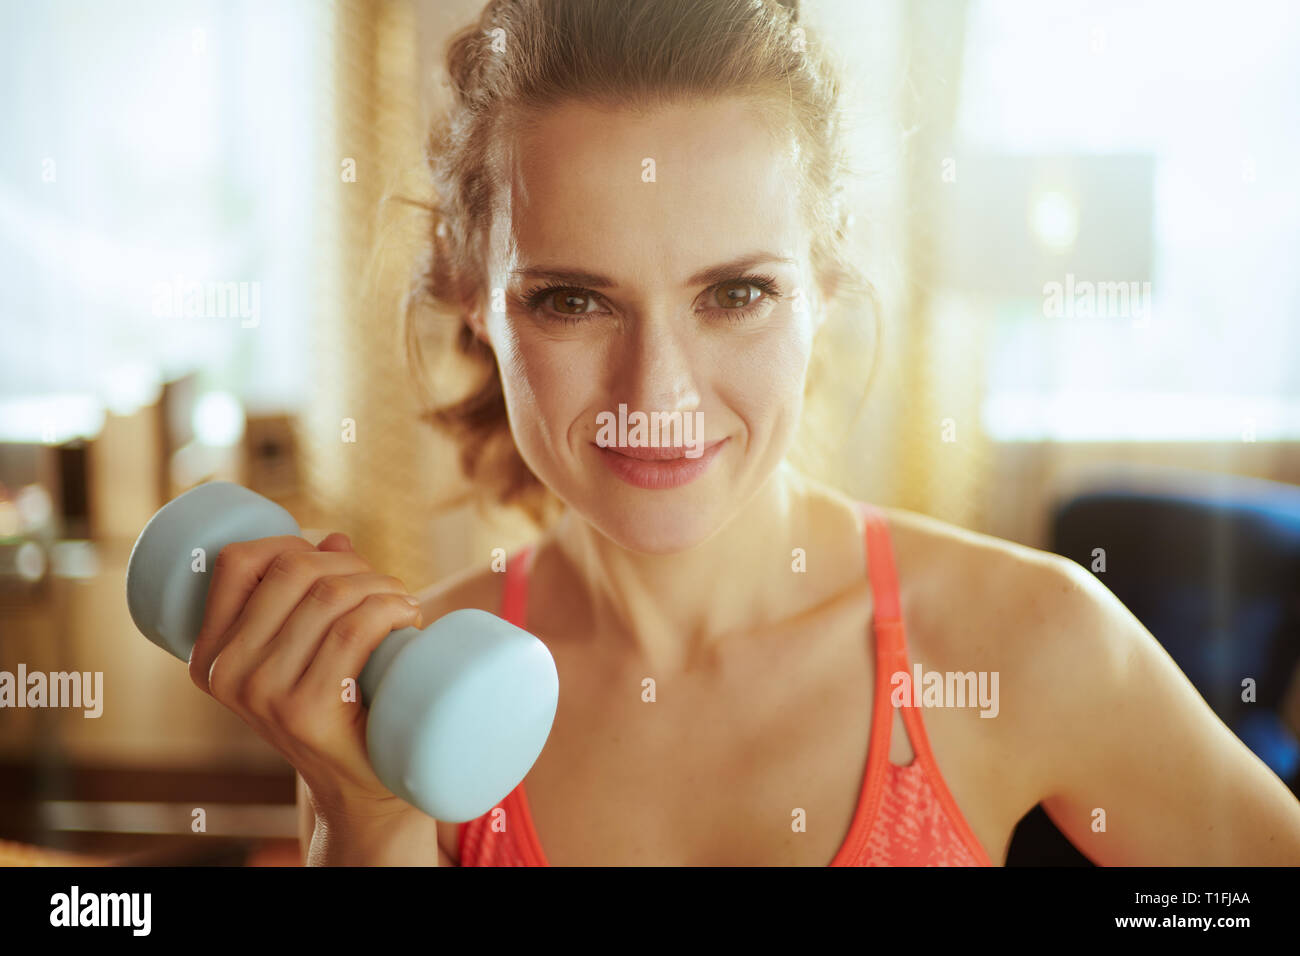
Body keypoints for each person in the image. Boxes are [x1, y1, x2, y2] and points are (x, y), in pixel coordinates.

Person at [189, 0, 1300, 866]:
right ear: (470, 296)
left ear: (825, 280)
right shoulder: (394, 699)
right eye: (573, 299)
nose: (656, 391)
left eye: (735, 294)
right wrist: (368, 813)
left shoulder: (1029, 641)